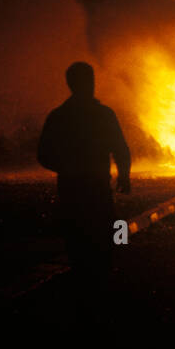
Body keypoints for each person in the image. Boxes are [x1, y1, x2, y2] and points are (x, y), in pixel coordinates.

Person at [37, 62, 131, 314]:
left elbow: (43, 154)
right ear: (88, 83)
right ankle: (99, 293)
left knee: (78, 239)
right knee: (101, 237)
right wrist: (124, 175)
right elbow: (120, 147)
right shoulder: (103, 114)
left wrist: (66, 168)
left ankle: (84, 295)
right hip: (96, 187)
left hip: (72, 189)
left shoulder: (59, 116)